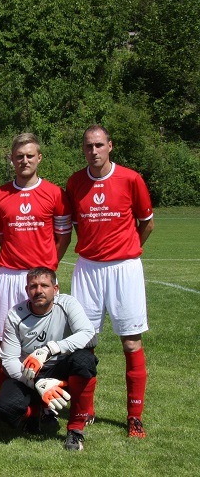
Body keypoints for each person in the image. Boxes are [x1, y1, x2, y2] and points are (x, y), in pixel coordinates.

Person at [66, 124, 154, 438]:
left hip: (125, 269)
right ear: (83, 149)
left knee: (131, 342)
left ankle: (134, 417)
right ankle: (85, 409)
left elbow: (146, 223)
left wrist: (128, 250)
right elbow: (77, 226)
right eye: (88, 146)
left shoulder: (131, 179)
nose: (94, 151)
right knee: (84, 343)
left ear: (110, 146)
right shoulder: (75, 182)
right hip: (88, 269)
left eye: (99, 145)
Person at [0, 267, 97, 451]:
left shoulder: (67, 304)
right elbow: (9, 360)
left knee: (84, 361)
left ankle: (75, 429)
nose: (39, 290)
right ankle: (34, 414)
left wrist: (51, 348)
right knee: (7, 410)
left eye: (45, 285)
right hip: (30, 373)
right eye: (33, 286)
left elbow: (88, 333)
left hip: (60, 368)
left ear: (55, 289)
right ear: (27, 290)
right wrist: (38, 382)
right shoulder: (15, 314)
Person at [0, 133, 72, 344]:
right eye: (19, 156)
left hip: (41, 277)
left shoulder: (55, 194)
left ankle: (45, 378)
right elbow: (1, 235)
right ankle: (8, 378)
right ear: (12, 159)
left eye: (29, 156)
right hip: (9, 275)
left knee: (47, 337)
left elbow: (64, 237)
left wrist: (50, 266)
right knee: (5, 339)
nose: (25, 161)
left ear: (39, 158)